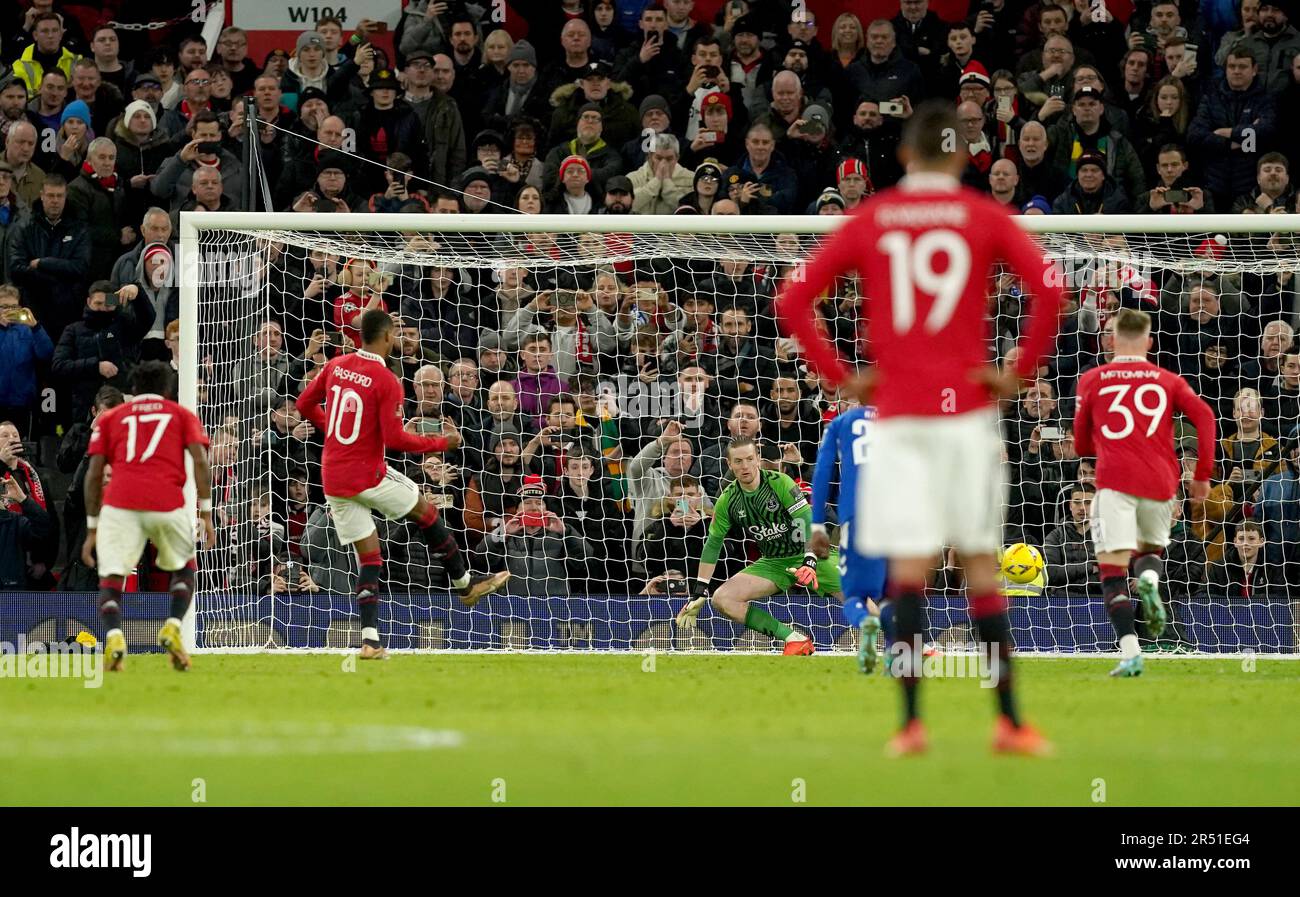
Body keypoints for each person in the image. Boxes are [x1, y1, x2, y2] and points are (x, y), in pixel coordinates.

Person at [775, 100, 1064, 757]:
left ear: (903, 156)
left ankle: (909, 725)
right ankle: (1010, 723)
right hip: (966, 415)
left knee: (909, 572)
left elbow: (791, 297)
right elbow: (1050, 287)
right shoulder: (984, 214)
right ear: (963, 156)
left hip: (899, 418)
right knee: (981, 570)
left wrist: (844, 377)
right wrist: (1016, 370)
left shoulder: (872, 217)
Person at [295, 309, 510, 658]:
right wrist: (444, 442)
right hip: (366, 472)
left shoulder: (336, 365)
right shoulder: (386, 380)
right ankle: (465, 585)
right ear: (388, 336)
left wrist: (335, 432)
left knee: (370, 557)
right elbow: (396, 440)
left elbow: (304, 403)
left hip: (332, 475)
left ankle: (370, 641)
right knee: (426, 512)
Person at [1073, 308, 1217, 676]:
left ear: (1112, 340)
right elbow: (1205, 417)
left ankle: (1131, 652)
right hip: (1161, 483)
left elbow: (1079, 444)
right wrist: (1201, 475)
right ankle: (1151, 579)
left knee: (1112, 571)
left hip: (1115, 482)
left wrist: (1099, 443)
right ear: (1149, 342)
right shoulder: (1167, 379)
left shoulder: (1093, 379)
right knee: (1150, 552)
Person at [81, 361, 216, 672]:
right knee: (185, 568)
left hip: (119, 503)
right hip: (166, 502)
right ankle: (171, 626)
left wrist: (92, 527)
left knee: (112, 575)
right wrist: (206, 513)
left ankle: (115, 636)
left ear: (134, 389)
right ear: (168, 389)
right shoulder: (181, 414)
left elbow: (93, 474)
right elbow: (200, 460)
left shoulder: (112, 417)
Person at [675, 436, 840, 655]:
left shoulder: (780, 482)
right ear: (729, 465)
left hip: (808, 555)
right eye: (738, 461)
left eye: (749, 459)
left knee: (858, 600)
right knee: (722, 599)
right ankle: (794, 639)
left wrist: (809, 561)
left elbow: (807, 522)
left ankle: (896, 640)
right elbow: (713, 543)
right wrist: (699, 590)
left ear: (758, 459)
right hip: (773, 562)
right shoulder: (728, 499)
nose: (745, 466)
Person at [807, 402, 885, 673]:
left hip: (857, 516)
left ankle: (865, 622)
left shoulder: (841, 423)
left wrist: (817, 526)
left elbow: (821, 473)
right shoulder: (899, 417)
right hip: (895, 517)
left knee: (854, 595)